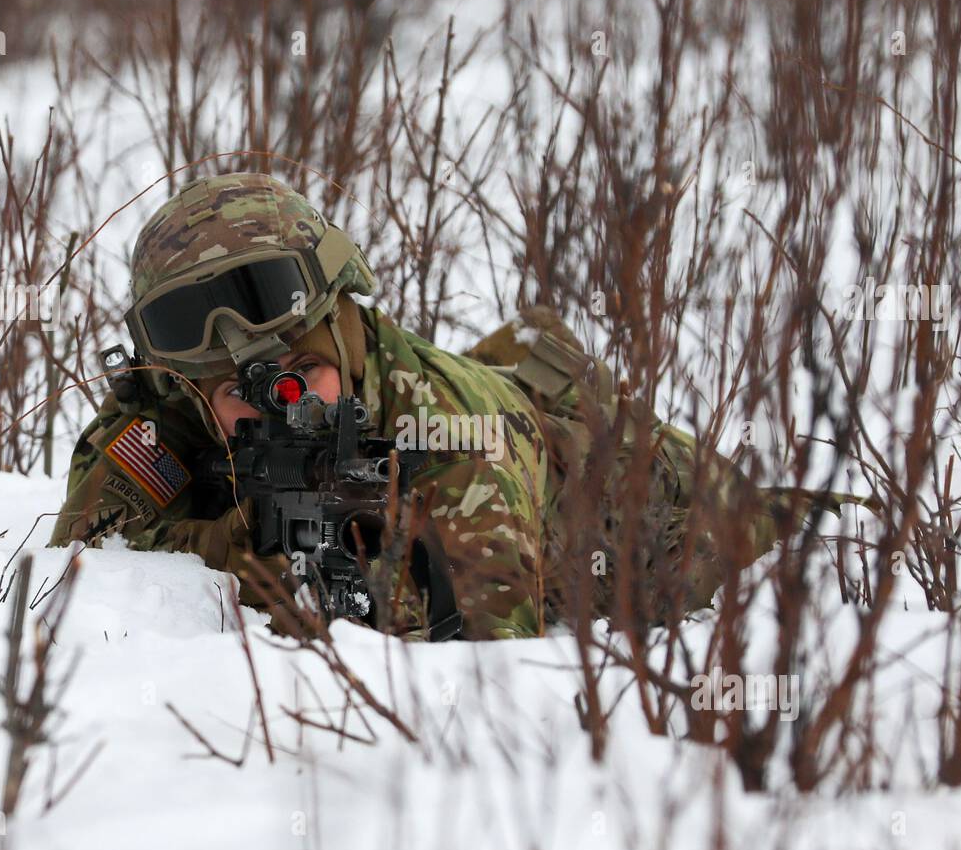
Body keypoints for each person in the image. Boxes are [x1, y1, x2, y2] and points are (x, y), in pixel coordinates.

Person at [51, 172, 855, 639]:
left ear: (344, 323)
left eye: (301, 373)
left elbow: (494, 655)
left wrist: (387, 560)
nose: (275, 405)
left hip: (577, 477)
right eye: (232, 390)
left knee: (754, 528)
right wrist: (245, 542)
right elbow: (87, 560)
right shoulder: (169, 407)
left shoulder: (451, 433)